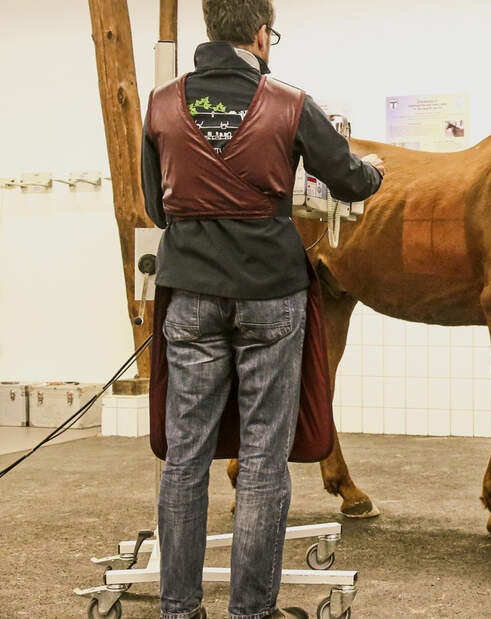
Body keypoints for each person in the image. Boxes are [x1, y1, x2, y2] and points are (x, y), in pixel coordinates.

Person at [140, 1, 384, 617]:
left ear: (210, 28)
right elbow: (352, 181)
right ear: (259, 33)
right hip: (270, 297)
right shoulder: (290, 103)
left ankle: (179, 609)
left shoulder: (162, 104)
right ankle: (251, 610)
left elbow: (156, 207)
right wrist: (374, 172)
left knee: (186, 459)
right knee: (262, 459)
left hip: (191, 295)